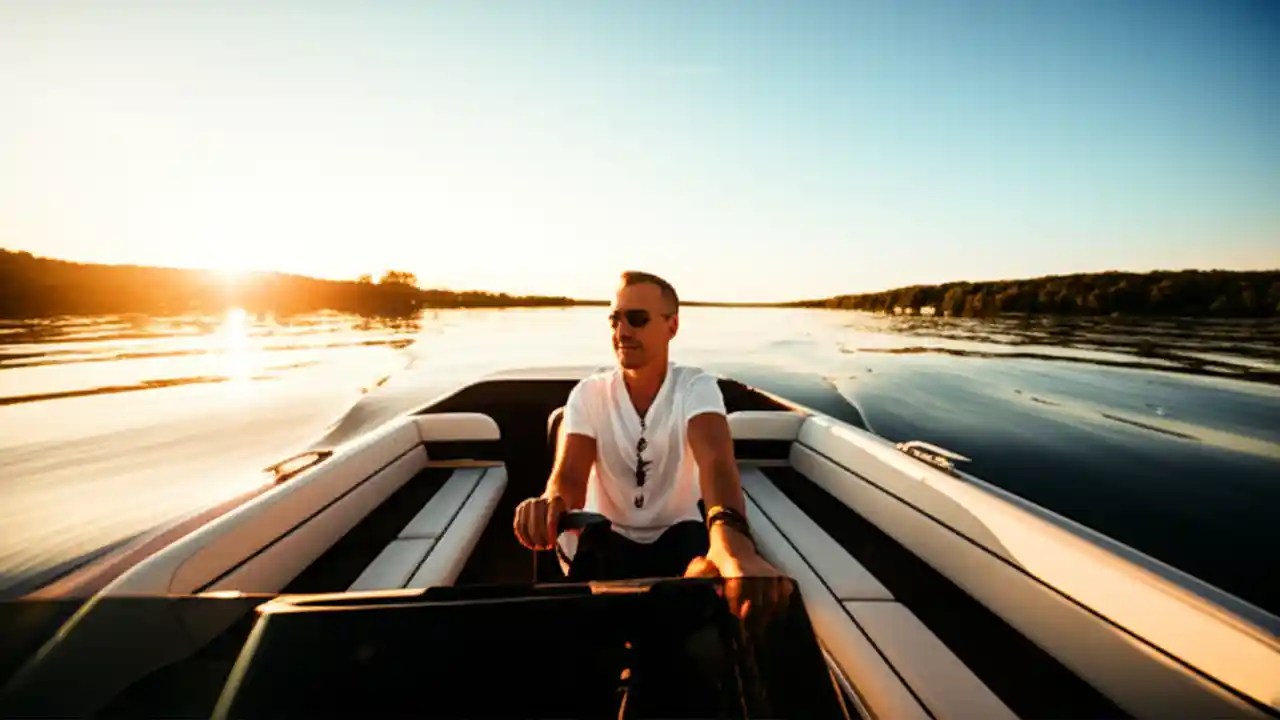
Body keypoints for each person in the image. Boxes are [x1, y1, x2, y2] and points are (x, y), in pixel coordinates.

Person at [513, 270, 780, 582]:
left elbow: (716, 461)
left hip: (681, 536)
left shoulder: (696, 387)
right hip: (605, 535)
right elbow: (571, 476)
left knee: (707, 583)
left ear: (672, 326)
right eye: (615, 319)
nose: (622, 331)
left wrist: (731, 540)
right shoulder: (589, 393)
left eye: (637, 319)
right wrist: (551, 503)